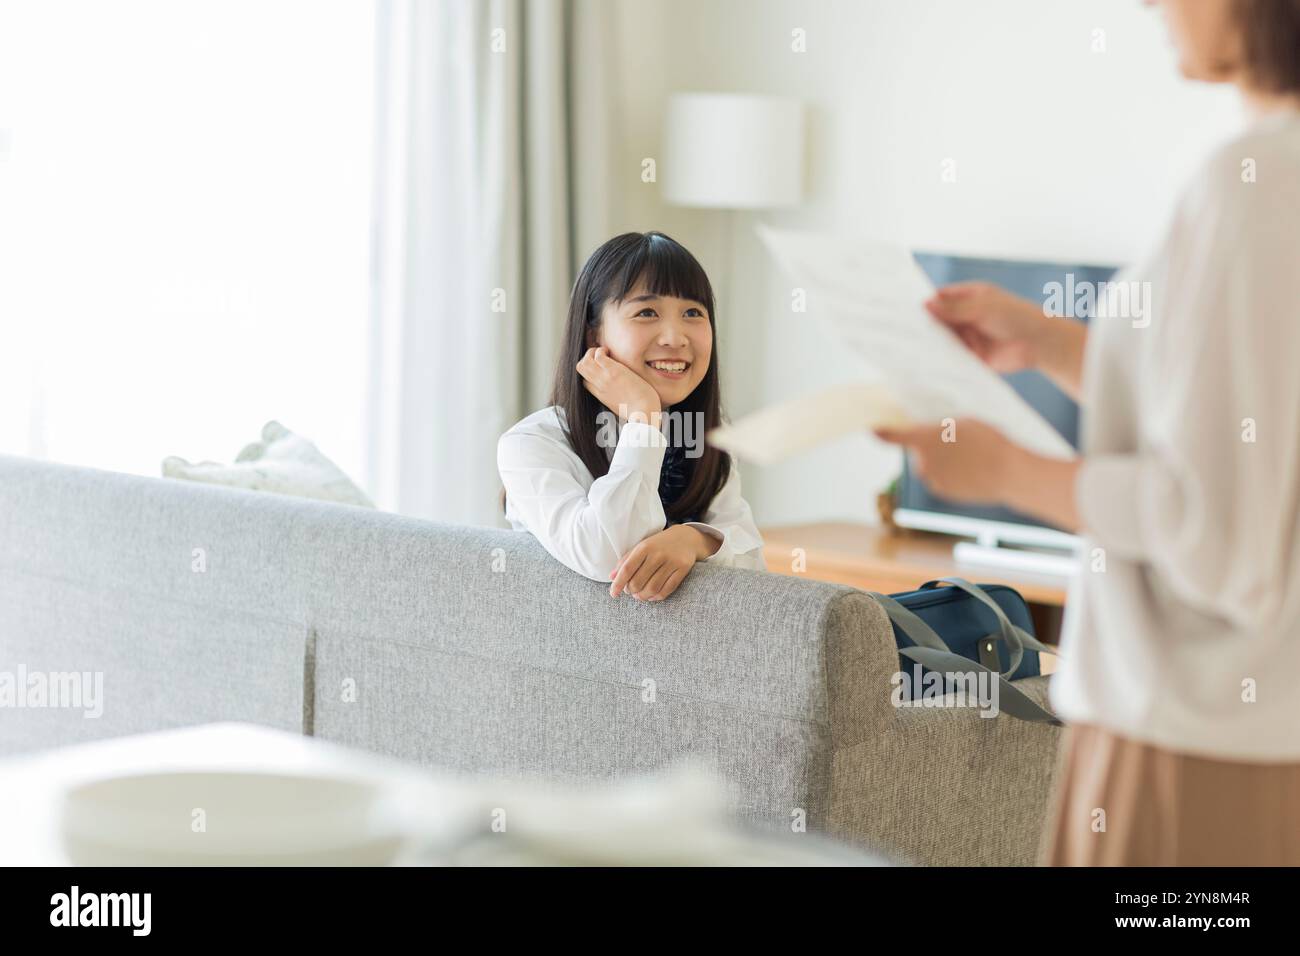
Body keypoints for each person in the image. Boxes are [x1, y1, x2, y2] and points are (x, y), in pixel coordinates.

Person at [875, 0, 1300, 865]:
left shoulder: (1251, 182)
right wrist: (1059, 346)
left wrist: (1007, 471)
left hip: (1189, 745)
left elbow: (1215, 534)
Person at [498, 231, 765, 602]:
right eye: (646, 312)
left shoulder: (703, 433)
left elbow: (754, 569)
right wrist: (642, 419)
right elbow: (609, 558)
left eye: (693, 313)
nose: (675, 337)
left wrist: (694, 539)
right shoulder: (532, 443)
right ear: (595, 335)